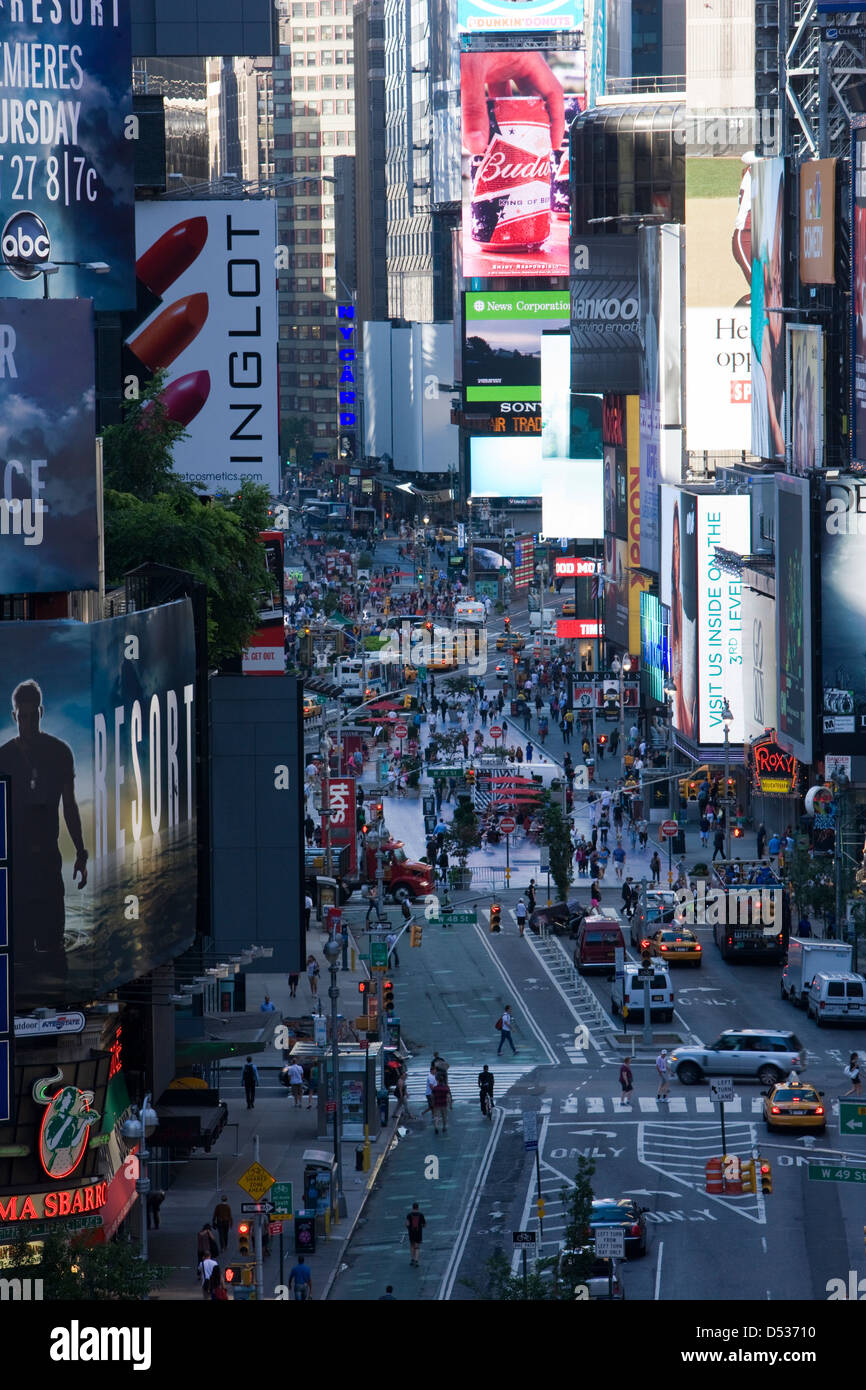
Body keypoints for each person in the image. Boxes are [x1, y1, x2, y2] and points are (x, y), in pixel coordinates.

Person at [0, 679, 89, 996]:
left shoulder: (59, 752)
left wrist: (81, 852)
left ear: (41, 712)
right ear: (14, 716)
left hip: (48, 865)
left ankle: (57, 1004)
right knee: (20, 951)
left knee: (53, 946)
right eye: (22, 717)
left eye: (32, 716)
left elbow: (70, 806)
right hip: (18, 869)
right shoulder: (4, 757)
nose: (27, 723)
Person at [406, 1202, 426, 1267]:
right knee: (417, 1247)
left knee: (412, 1245)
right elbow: (424, 1225)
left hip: (411, 1232)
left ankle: (412, 1259)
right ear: (418, 1207)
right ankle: (417, 1260)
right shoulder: (421, 1215)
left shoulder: (409, 1215)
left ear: (412, 1207)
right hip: (418, 1232)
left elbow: (407, 1224)